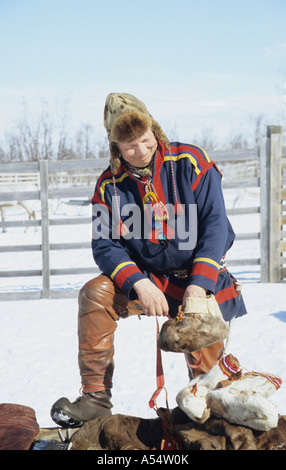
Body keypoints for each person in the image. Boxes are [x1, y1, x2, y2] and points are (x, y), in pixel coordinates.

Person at [50, 93, 247, 427]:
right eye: (130, 147)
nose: (141, 151)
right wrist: (138, 283)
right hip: (148, 280)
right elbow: (104, 246)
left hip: (200, 278)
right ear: (116, 148)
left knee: (209, 386)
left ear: (155, 131)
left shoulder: (191, 162)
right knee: (95, 294)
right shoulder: (108, 187)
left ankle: (206, 409)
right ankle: (96, 398)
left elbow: (215, 226)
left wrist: (199, 286)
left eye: (145, 140)